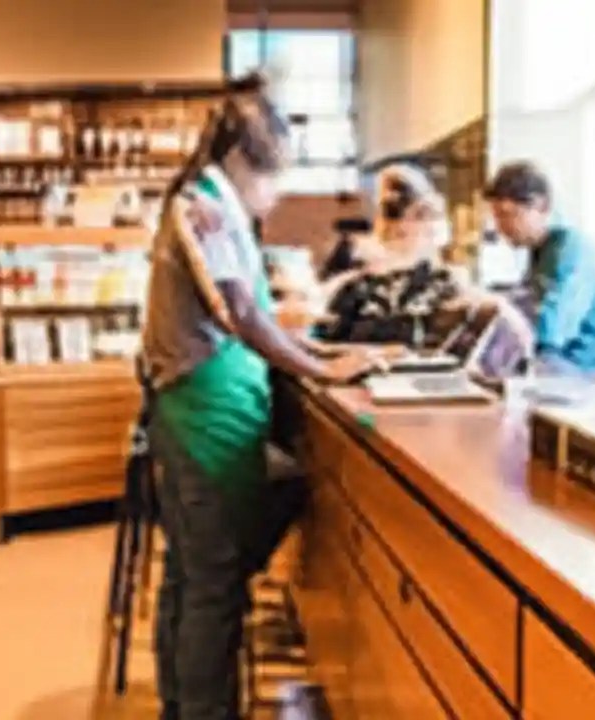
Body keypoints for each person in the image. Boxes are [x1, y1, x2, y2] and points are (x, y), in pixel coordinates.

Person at [140, 73, 373, 720]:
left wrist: (319, 355)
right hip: (201, 421)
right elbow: (241, 311)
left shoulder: (211, 203)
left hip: (210, 415)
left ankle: (181, 705)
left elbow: (252, 312)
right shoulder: (203, 206)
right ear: (246, 159)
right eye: (273, 177)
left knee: (196, 579)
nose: (275, 195)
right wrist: (321, 370)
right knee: (211, 585)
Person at [315, 163, 530, 376]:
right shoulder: (353, 284)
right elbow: (319, 345)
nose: (402, 225)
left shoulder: (444, 281)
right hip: (359, 381)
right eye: (392, 212)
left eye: (418, 215)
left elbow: (507, 327)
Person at [484, 161, 595, 373]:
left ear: (542, 206)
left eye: (508, 214)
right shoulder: (541, 251)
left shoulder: (574, 250)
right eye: (497, 217)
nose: (501, 227)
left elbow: (552, 329)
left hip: (581, 370)